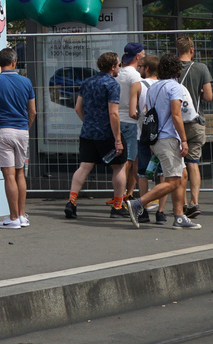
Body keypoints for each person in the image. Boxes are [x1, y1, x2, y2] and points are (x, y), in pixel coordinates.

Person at [129, 58, 200, 229]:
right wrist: (184, 139)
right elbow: (176, 115)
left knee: (182, 176)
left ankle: (179, 215)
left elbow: (148, 111)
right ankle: (139, 203)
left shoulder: (153, 87)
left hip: (155, 137)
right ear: (177, 71)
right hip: (168, 137)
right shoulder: (175, 87)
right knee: (173, 180)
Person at [66, 52, 126, 220]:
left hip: (88, 132)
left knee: (84, 166)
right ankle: (118, 205)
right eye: (119, 65)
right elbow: (113, 114)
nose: (120, 68)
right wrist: (118, 139)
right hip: (107, 133)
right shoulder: (112, 85)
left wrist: (89, 122)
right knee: (119, 166)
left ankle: (72, 202)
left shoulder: (87, 82)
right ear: (112, 67)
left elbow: (78, 108)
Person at [0, 47, 35, 229]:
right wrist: (25, 127)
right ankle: (21, 215)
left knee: (9, 175)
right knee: (20, 172)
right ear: (14, 63)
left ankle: (12, 217)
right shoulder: (26, 82)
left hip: (2, 130)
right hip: (21, 130)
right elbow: (33, 111)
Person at [175, 36, 213, 218]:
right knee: (193, 162)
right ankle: (194, 202)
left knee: (179, 164)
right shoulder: (201, 68)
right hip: (196, 121)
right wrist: (197, 91)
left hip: (175, 123)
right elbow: (208, 96)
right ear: (192, 49)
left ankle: (181, 203)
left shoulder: (172, 68)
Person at [116, 43, 145, 208]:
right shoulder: (135, 77)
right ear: (137, 56)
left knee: (125, 159)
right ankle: (125, 196)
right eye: (142, 54)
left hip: (117, 120)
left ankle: (127, 194)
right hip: (131, 121)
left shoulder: (117, 74)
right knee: (130, 160)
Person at [132, 54, 160, 209]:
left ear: (147, 68)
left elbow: (131, 112)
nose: (139, 69)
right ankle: (160, 210)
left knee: (142, 171)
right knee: (162, 172)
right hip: (160, 133)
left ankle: (143, 205)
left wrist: (141, 117)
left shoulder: (138, 85)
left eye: (141, 66)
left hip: (143, 133)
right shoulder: (164, 84)